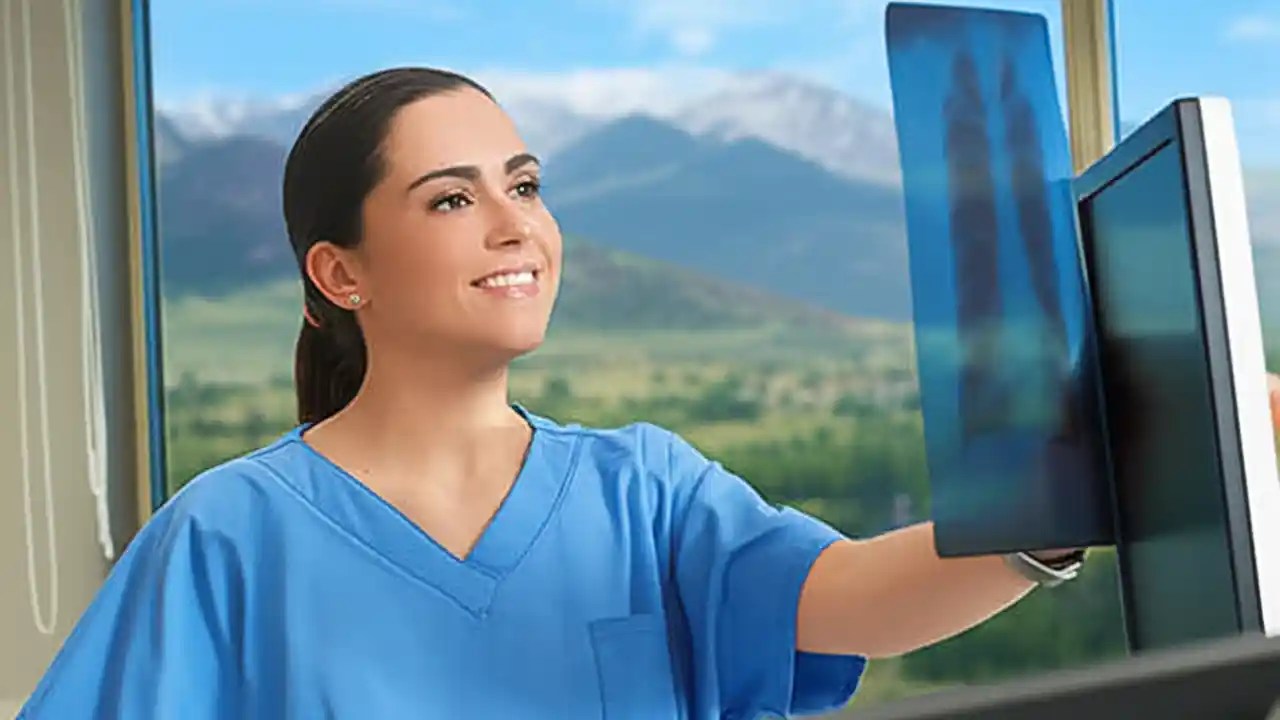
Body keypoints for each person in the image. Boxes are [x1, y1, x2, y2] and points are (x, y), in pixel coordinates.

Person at [14, 66, 1269, 720]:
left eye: (525, 182)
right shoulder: (225, 541)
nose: (516, 226)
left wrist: (1060, 490)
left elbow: (850, 604)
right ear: (339, 272)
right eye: (451, 198)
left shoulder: (644, 490)